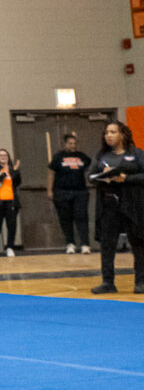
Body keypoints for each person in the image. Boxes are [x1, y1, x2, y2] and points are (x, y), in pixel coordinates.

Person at [90, 121, 144, 294]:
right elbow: (90, 176)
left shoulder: (136, 153)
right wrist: (101, 177)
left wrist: (126, 179)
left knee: (138, 243)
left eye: (113, 132)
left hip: (132, 203)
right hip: (108, 204)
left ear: (122, 134)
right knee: (107, 244)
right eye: (106, 132)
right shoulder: (102, 155)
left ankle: (141, 282)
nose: (109, 135)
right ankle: (108, 282)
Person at [48, 133, 92, 254]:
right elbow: (51, 173)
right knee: (65, 219)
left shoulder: (82, 157)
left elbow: (89, 170)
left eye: (74, 143)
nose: (72, 146)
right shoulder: (58, 157)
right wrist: (50, 190)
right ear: (65, 144)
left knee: (81, 217)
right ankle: (70, 243)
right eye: (70, 143)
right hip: (62, 191)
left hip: (80, 192)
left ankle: (85, 244)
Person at [0, 148, 22, 257]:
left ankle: (10, 247)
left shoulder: (13, 169)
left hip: (11, 202)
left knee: (11, 225)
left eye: (5, 155)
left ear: (8, 157)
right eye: (1, 155)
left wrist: (14, 171)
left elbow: (17, 183)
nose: (3, 157)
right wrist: (6, 173)